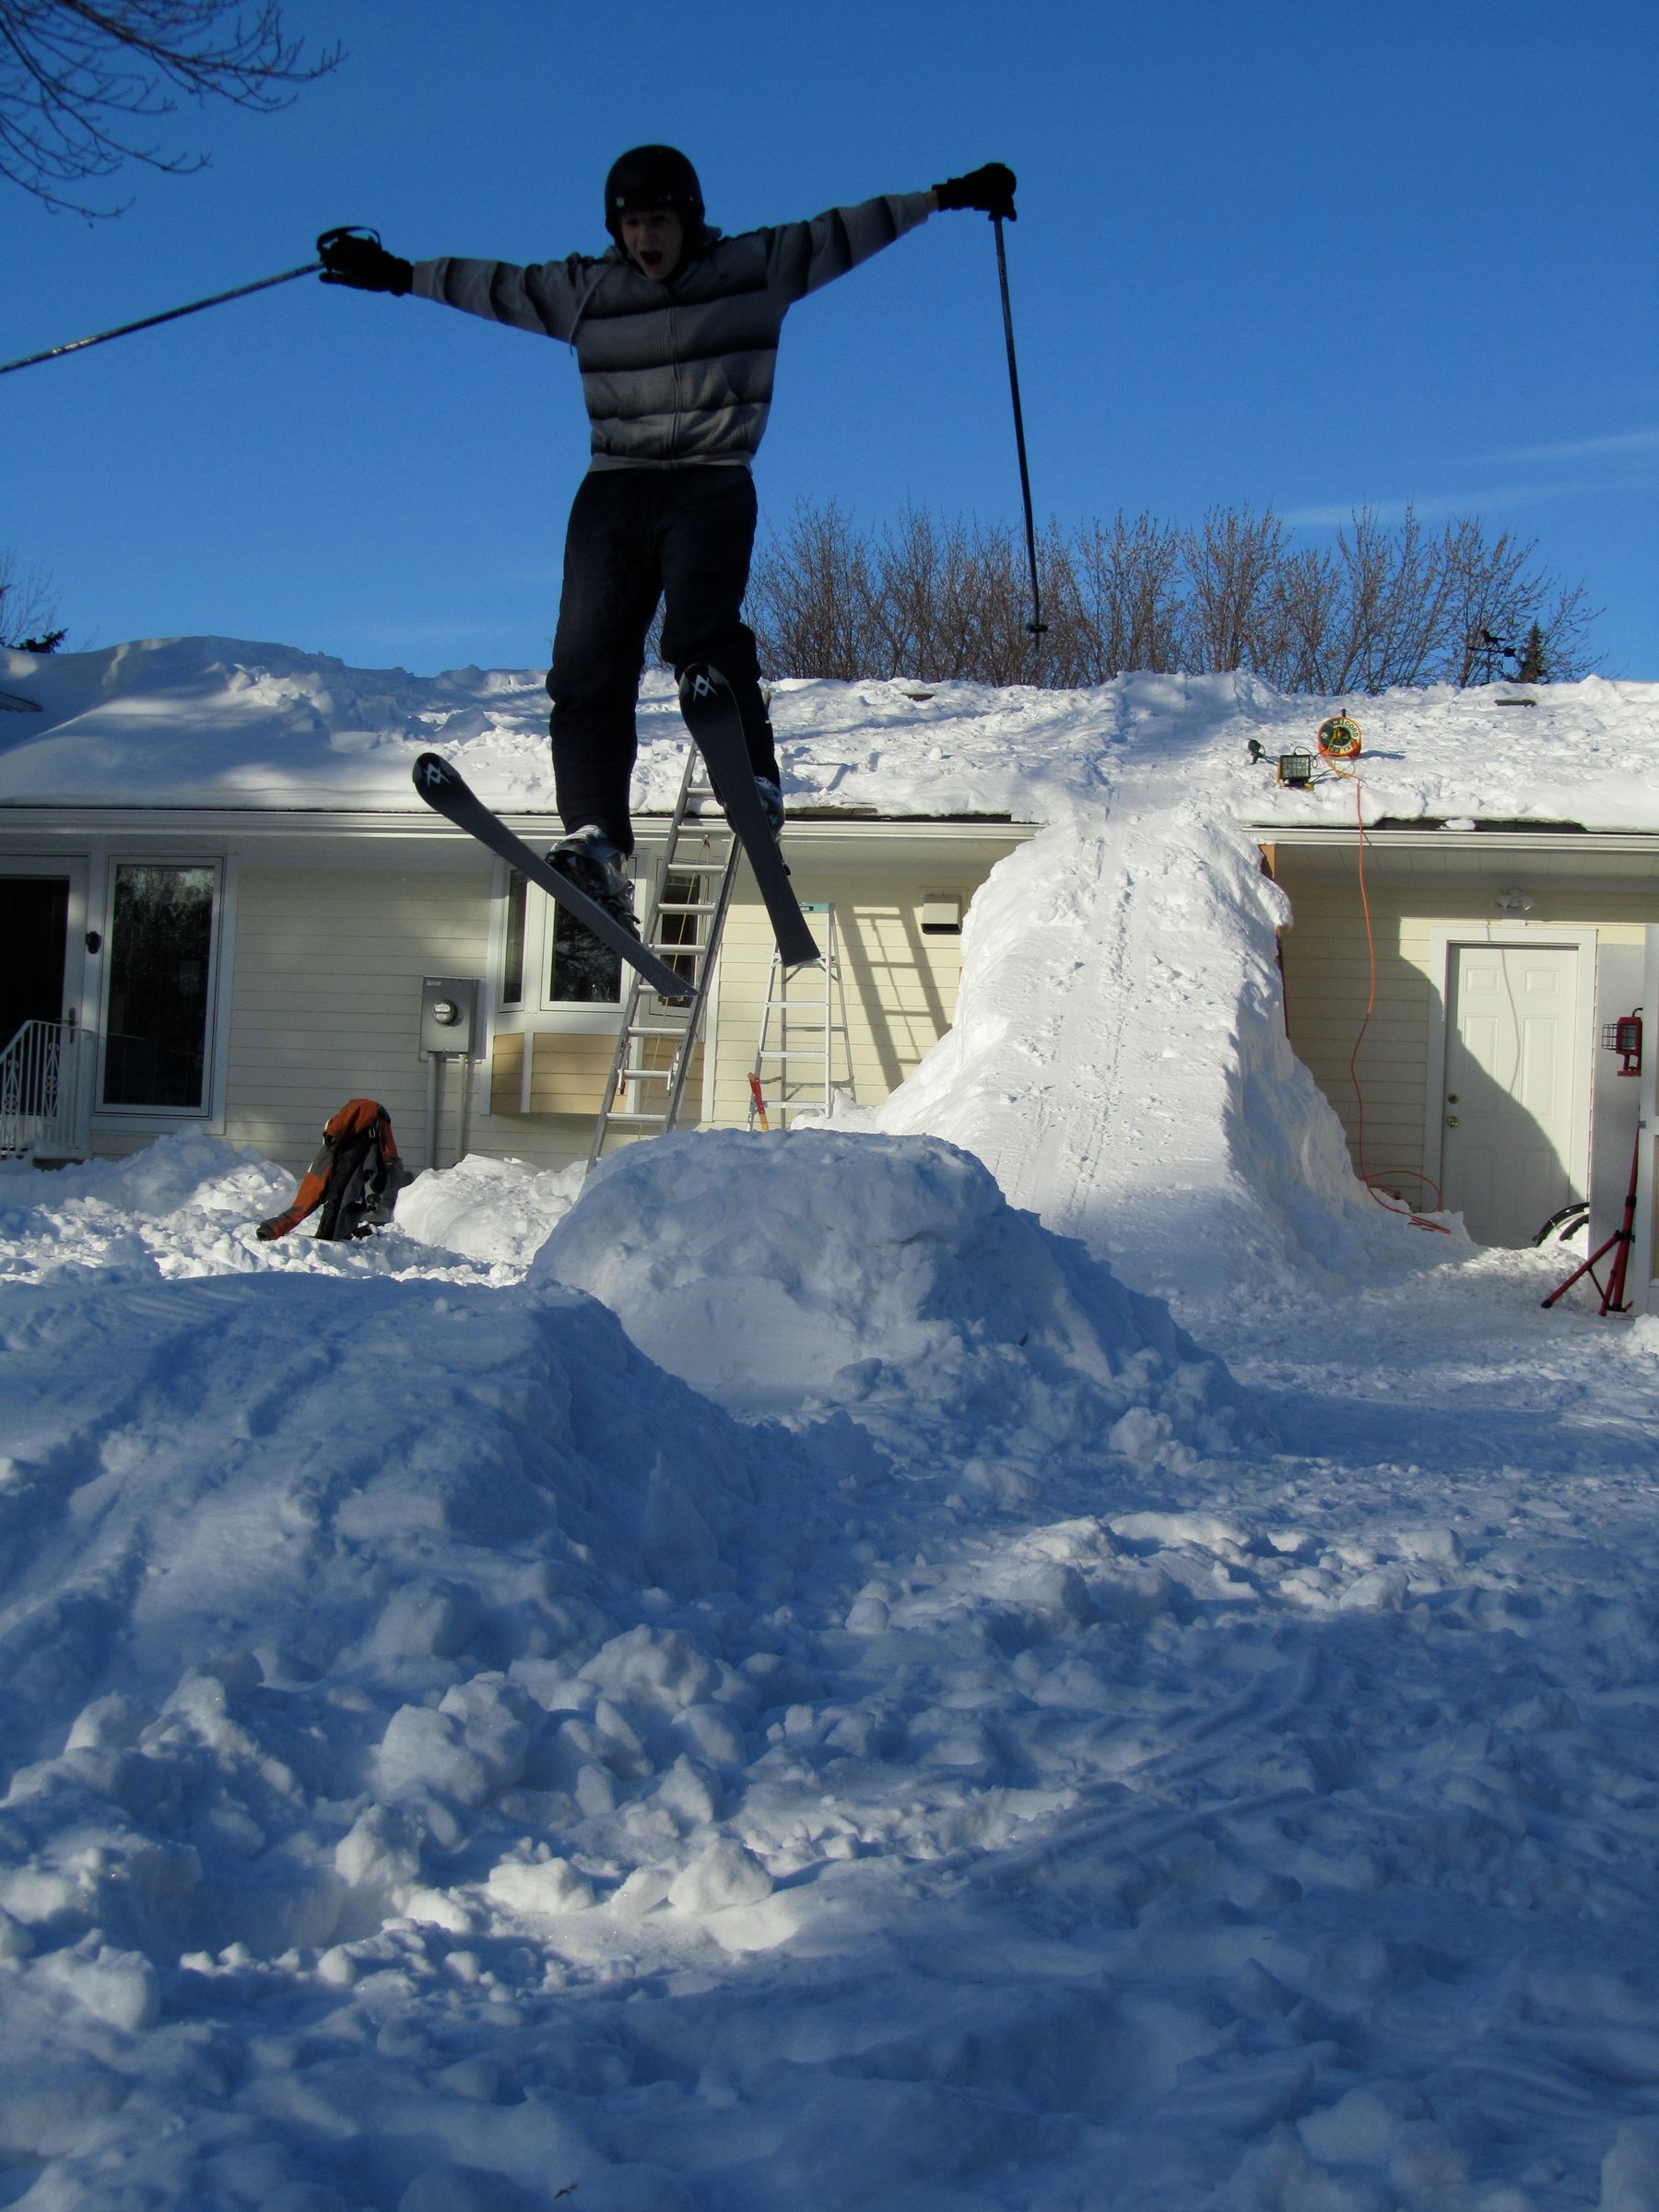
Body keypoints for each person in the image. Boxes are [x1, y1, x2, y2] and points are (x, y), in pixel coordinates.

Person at [318, 149, 1017, 932]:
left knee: (699, 635)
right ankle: (596, 838)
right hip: (614, 489)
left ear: (689, 220)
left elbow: (849, 230)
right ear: (616, 230)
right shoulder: (589, 290)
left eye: (660, 221)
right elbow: (495, 287)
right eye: (632, 224)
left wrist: (948, 196)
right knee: (587, 663)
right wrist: (395, 273)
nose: (647, 238)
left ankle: (750, 780)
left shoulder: (757, 268)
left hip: (712, 481)